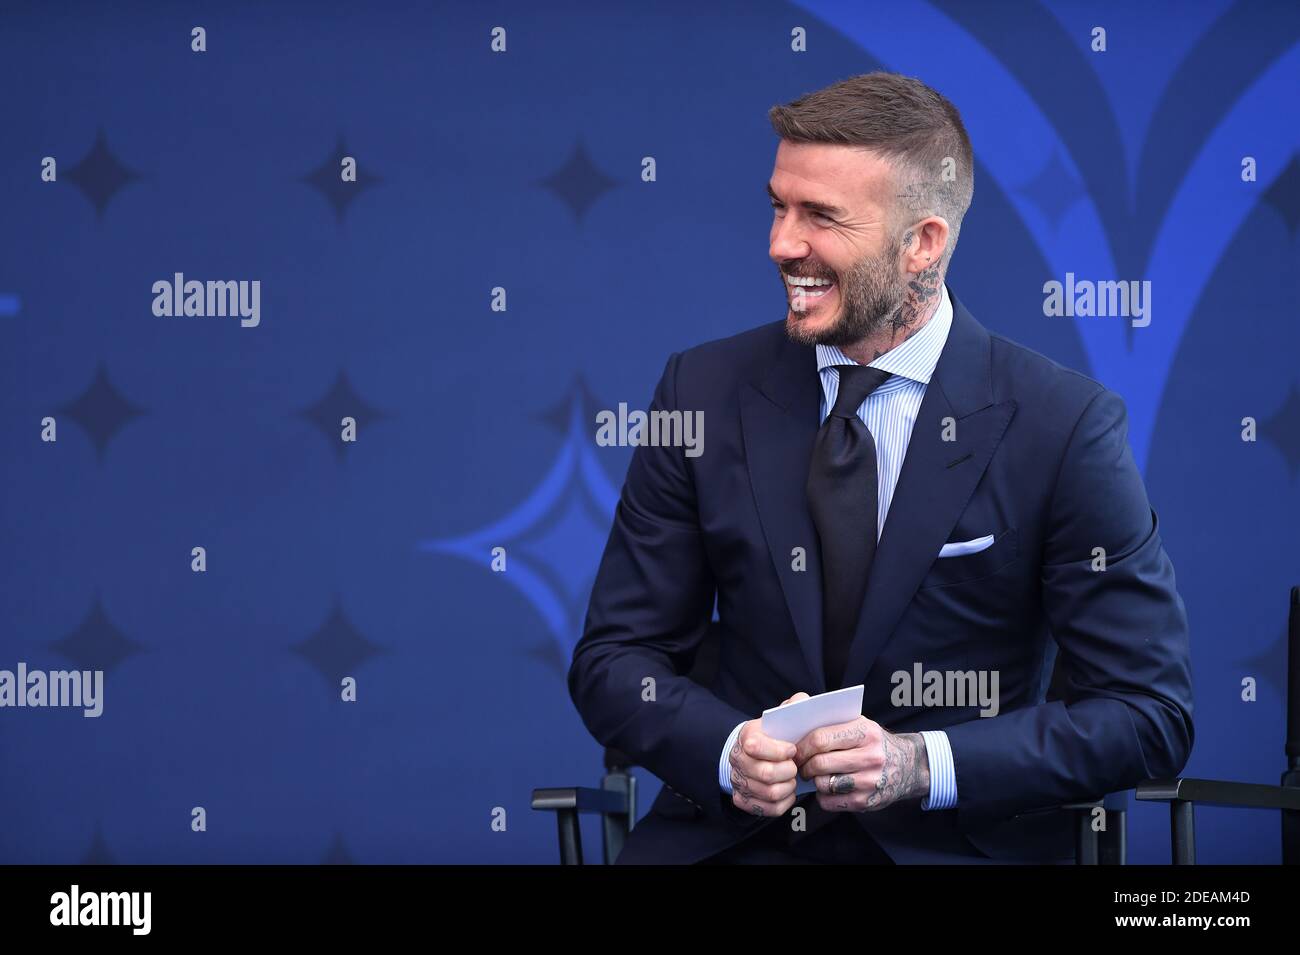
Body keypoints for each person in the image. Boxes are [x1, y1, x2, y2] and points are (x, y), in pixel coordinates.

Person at [568, 71, 1193, 864]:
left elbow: (1148, 712)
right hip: (737, 842)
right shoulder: (700, 391)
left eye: (820, 216)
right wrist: (728, 748)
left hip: (956, 847)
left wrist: (917, 764)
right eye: (777, 206)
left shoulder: (1062, 426)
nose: (781, 244)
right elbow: (613, 660)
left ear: (922, 243)